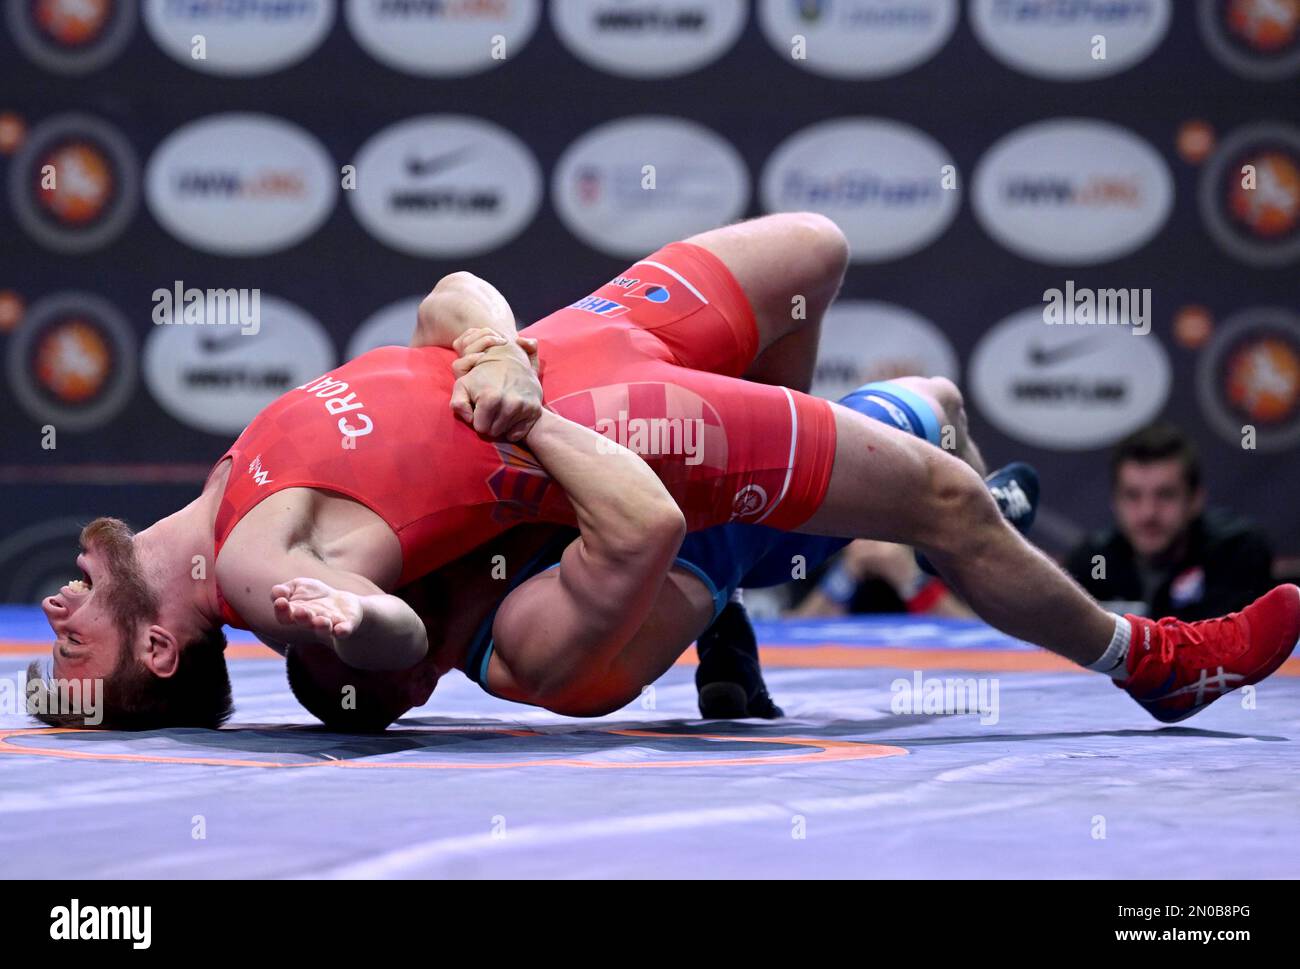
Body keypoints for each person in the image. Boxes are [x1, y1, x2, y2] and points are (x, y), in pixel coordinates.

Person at [31, 213, 1300, 730]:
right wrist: (353, 621)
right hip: (618, 425)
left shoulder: (227, 483)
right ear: (157, 655)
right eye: (70, 653)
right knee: (949, 500)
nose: (53, 613)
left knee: (815, 248)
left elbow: (448, 299)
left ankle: (788, 516)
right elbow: (383, 634)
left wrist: (484, 342)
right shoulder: (260, 574)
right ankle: (1155, 665)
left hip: (566, 341)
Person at [1066, 423, 1274, 621]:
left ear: (1195, 499)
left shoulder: (1236, 553)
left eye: (1165, 495)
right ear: (1115, 501)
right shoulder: (1090, 563)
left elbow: (1234, 644)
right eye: (1132, 495)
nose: (1148, 513)